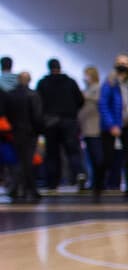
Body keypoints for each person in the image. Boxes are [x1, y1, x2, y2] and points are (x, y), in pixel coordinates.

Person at [96, 56, 128, 201]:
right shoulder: (109, 83)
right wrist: (111, 125)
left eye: (125, 63)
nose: (122, 66)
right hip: (111, 126)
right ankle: (98, 186)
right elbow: (103, 105)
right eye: (120, 63)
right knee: (108, 158)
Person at [36, 58, 85, 191]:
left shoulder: (43, 83)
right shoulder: (70, 82)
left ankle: (53, 182)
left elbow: (38, 104)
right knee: (73, 151)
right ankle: (79, 175)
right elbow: (80, 100)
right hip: (69, 121)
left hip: (50, 123)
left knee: (52, 154)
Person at [3, 68, 42, 202]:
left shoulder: (10, 95)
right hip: (30, 133)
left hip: (14, 132)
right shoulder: (33, 95)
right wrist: (38, 131)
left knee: (19, 160)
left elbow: (6, 114)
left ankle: (18, 188)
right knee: (27, 161)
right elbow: (37, 116)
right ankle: (28, 189)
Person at [77, 65, 101, 188]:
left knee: (95, 157)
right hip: (87, 128)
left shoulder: (97, 89)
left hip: (94, 128)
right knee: (89, 157)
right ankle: (93, 181)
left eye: (86, 75)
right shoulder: (88, 90)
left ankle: (96, 182)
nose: (84, 78)